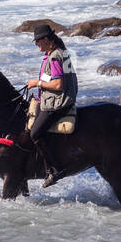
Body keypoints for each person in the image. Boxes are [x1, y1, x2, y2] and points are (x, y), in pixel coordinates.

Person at [27, 24, 78, 187]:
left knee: (35, 133)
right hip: (64, 98)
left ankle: (55, 169)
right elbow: (52, 79)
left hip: (59, 103)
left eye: (37, 41)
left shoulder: (55, 57)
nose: (36, 44)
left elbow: (58, 85)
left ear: (47, 40)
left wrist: (37, 83)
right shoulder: (60, 52)